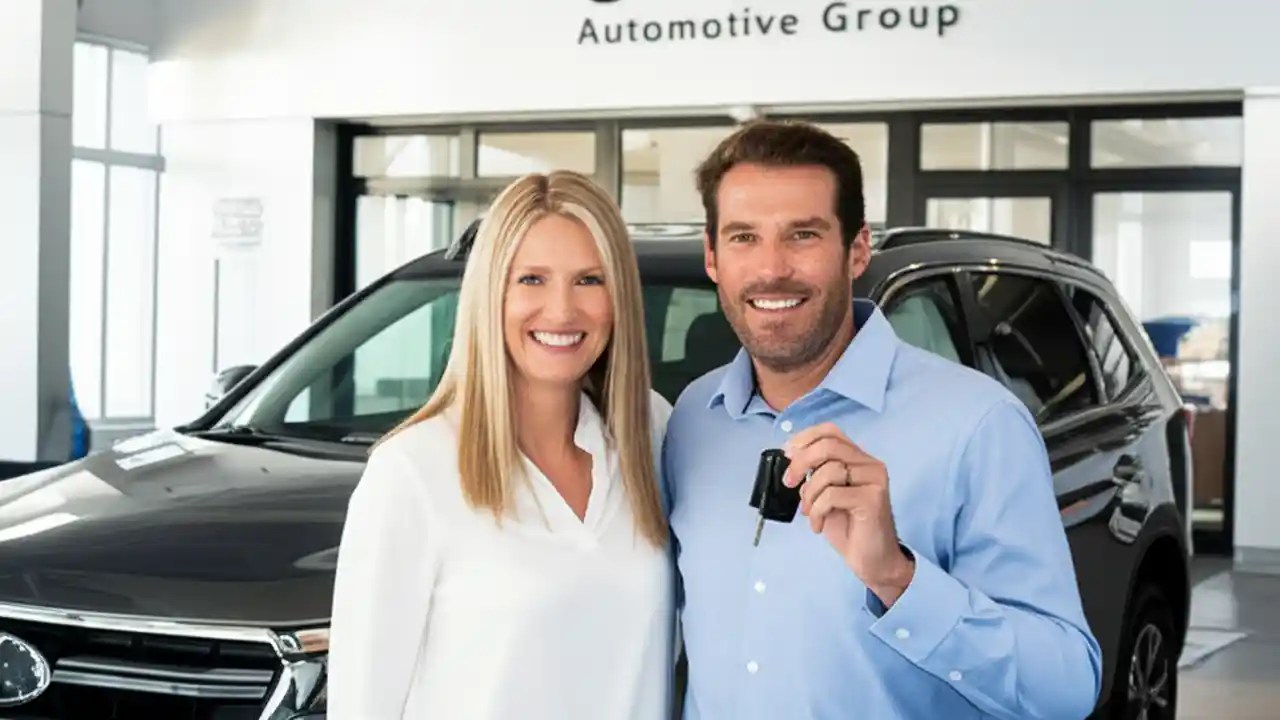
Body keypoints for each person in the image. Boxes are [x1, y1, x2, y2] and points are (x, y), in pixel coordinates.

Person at [661, 120, 1103, 719]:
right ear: (713, 257)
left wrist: (898, 578)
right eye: (744, 237)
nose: (771, 268)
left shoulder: (979, 425)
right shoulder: (692, 419)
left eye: (803, 235)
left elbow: (1067, 688)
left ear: (857, 250)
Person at [327, 171, 677, 719]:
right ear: (491, 292)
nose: (562, 310)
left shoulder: (652, 432)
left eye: (589, 280)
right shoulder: (412, 470)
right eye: (532, 279)